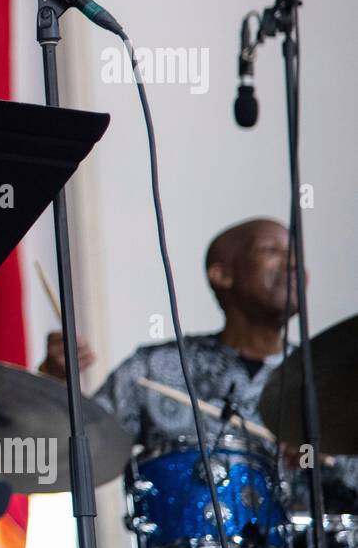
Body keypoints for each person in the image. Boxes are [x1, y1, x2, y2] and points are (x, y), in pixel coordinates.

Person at [39, 217, 358, 510]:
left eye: (296, 253)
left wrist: (322, 459)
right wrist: (55, 383)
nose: (293, 264)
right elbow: (70, 455)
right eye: (272, 250)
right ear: (222, 274)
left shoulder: (328, 381)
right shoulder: (154, 368)